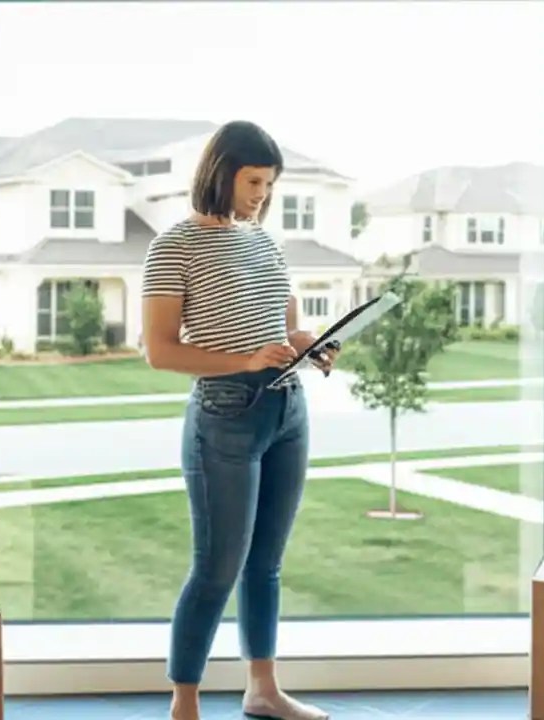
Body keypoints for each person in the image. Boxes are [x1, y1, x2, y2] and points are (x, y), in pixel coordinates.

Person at [140, 120, 336, 720]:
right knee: (215, 567)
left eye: (269, 184)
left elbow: (285, 324)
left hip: (288, 409)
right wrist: (244, 361)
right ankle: (184, 704)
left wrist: (309, 343)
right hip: (224, 415)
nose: (261, 195)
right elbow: (160, 351)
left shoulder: (263, 241)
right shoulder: (174, 245)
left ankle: (263, 690)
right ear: (221, 172)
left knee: (265, 565)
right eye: (253, 181)